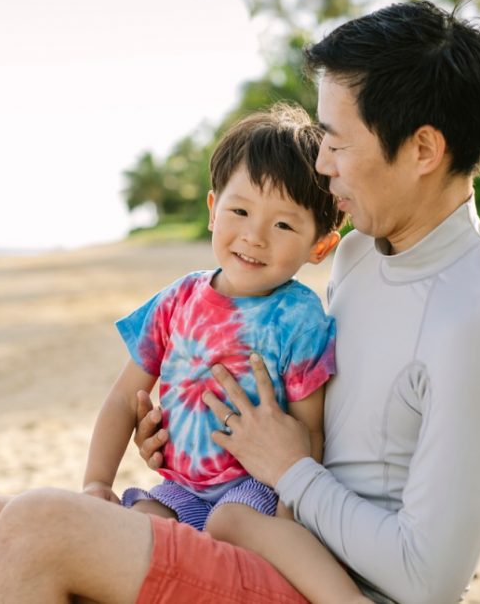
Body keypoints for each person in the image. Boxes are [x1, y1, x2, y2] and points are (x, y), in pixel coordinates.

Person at [0, 0, 480, 604]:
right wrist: (194, 432)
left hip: (338, 585)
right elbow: (306, 395)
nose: (323, 166)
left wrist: (290, 469)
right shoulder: (361, 255)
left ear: (423, 151)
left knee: (43, 522)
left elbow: (429, 581)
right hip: (265, 532)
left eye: (337, 143)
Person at [81, 103, 365, 601]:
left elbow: (309, 429)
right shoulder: (177, 300)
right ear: (213, 209)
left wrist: (289, 516)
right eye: (240, 211)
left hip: (252, 489)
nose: (254, 236)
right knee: (138, 518)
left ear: (320, 246)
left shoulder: (298, 317)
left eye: (284, 226)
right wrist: (95, 483)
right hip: (180, 487)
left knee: (230, 520)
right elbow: (125, 398)